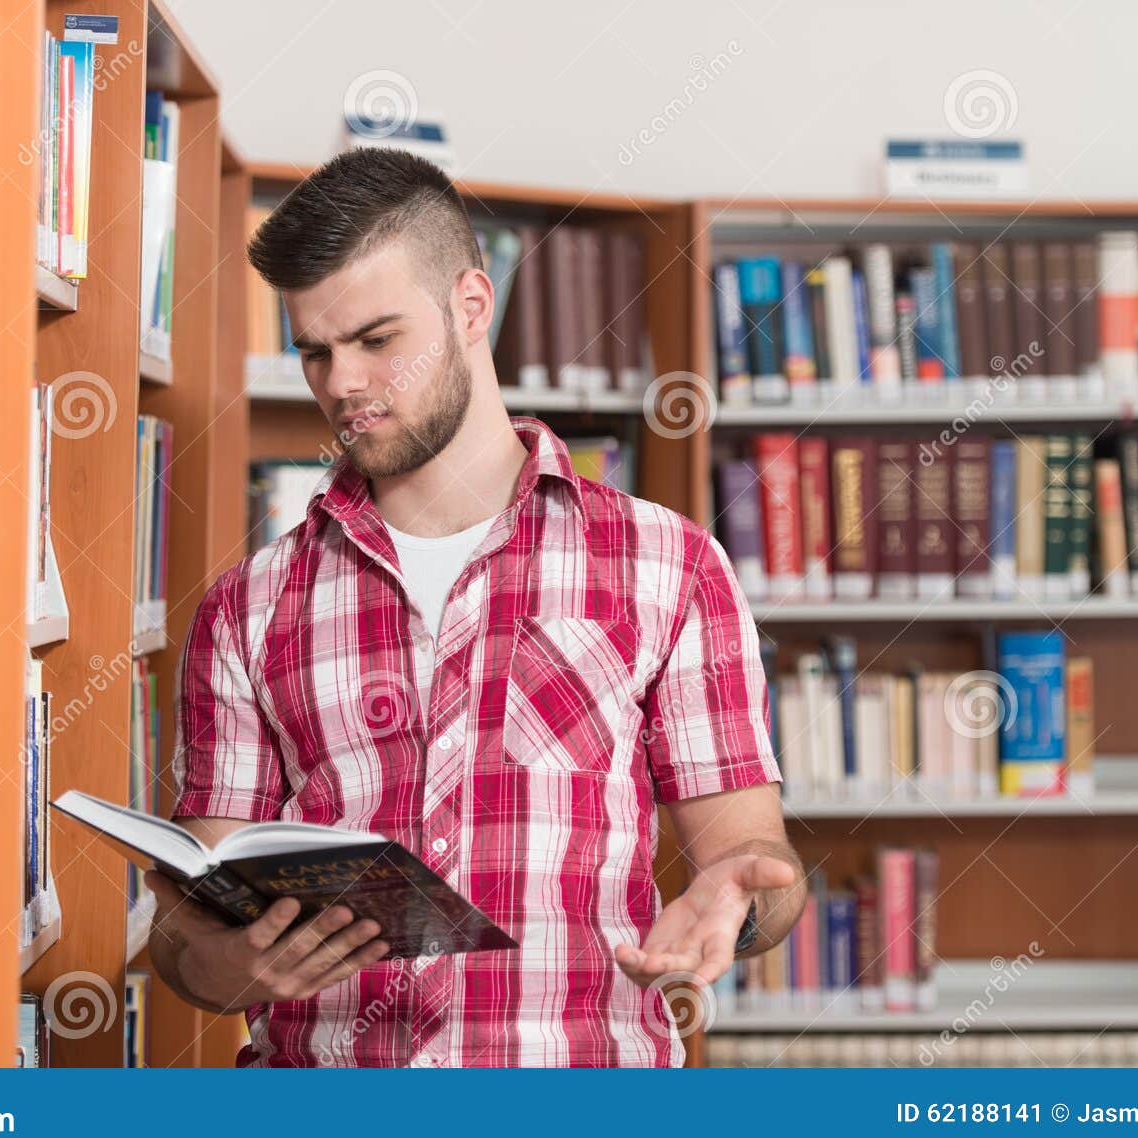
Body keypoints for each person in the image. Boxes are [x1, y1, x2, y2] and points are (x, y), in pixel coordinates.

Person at [146, 147, 804, 1067]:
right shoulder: (247, 607)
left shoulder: (670, 564)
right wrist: (234, 966)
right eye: (315, 352)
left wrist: (741, 900)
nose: (341, 385)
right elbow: (183, 944)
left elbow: (752, 857)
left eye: (377, 342)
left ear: (470, 307)